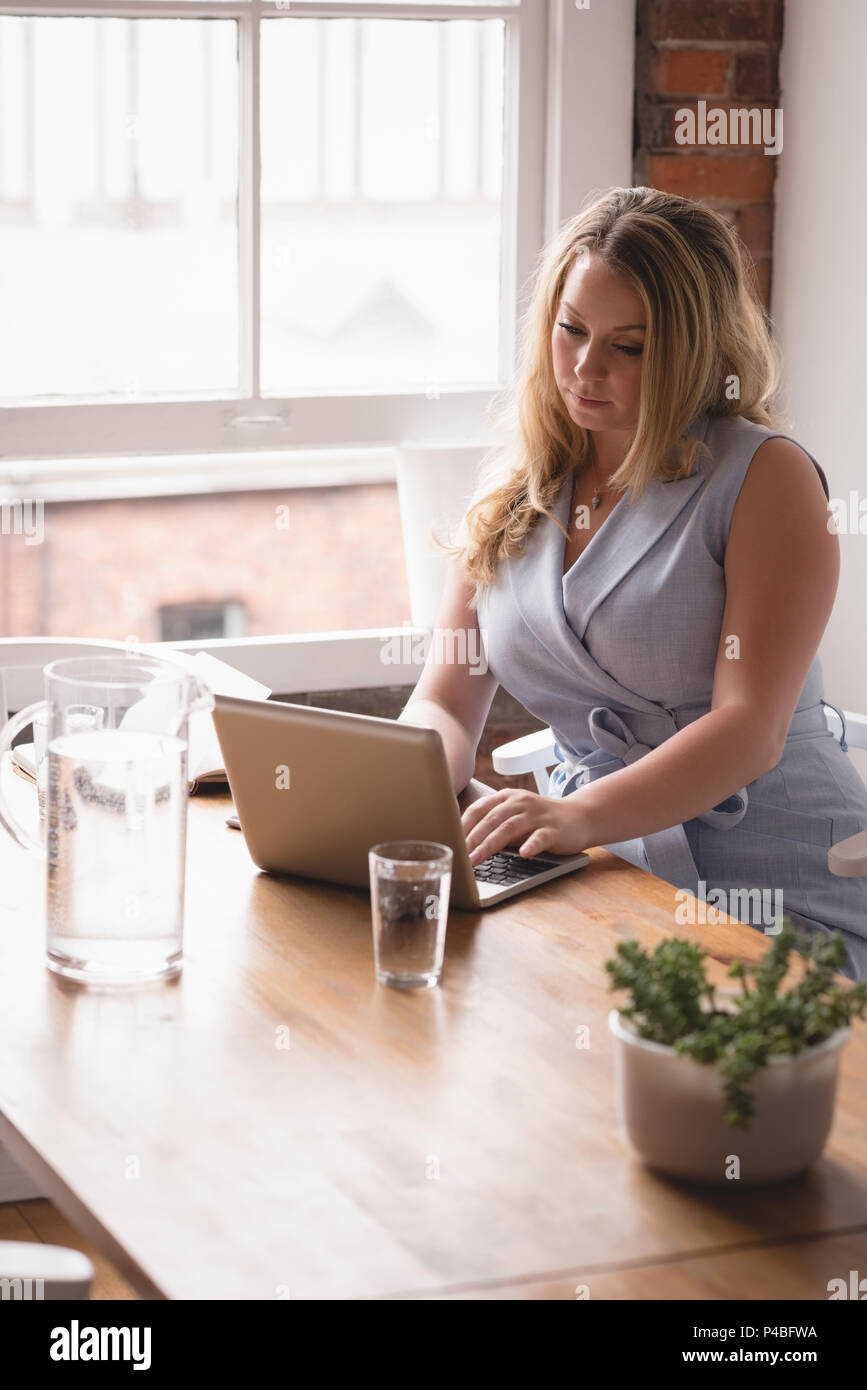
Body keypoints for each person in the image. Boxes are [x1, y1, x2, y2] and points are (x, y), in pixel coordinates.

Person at [398, 186, 867, 979]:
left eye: (629, 346)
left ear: (693, 349)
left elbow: (749, 727)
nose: (584, 367)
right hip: (602, 871)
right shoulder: (515, 493)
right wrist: (400, 786)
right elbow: (445, 701)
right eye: (571, 329)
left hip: (777, 887)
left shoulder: (764, 476)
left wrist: (576, 814)